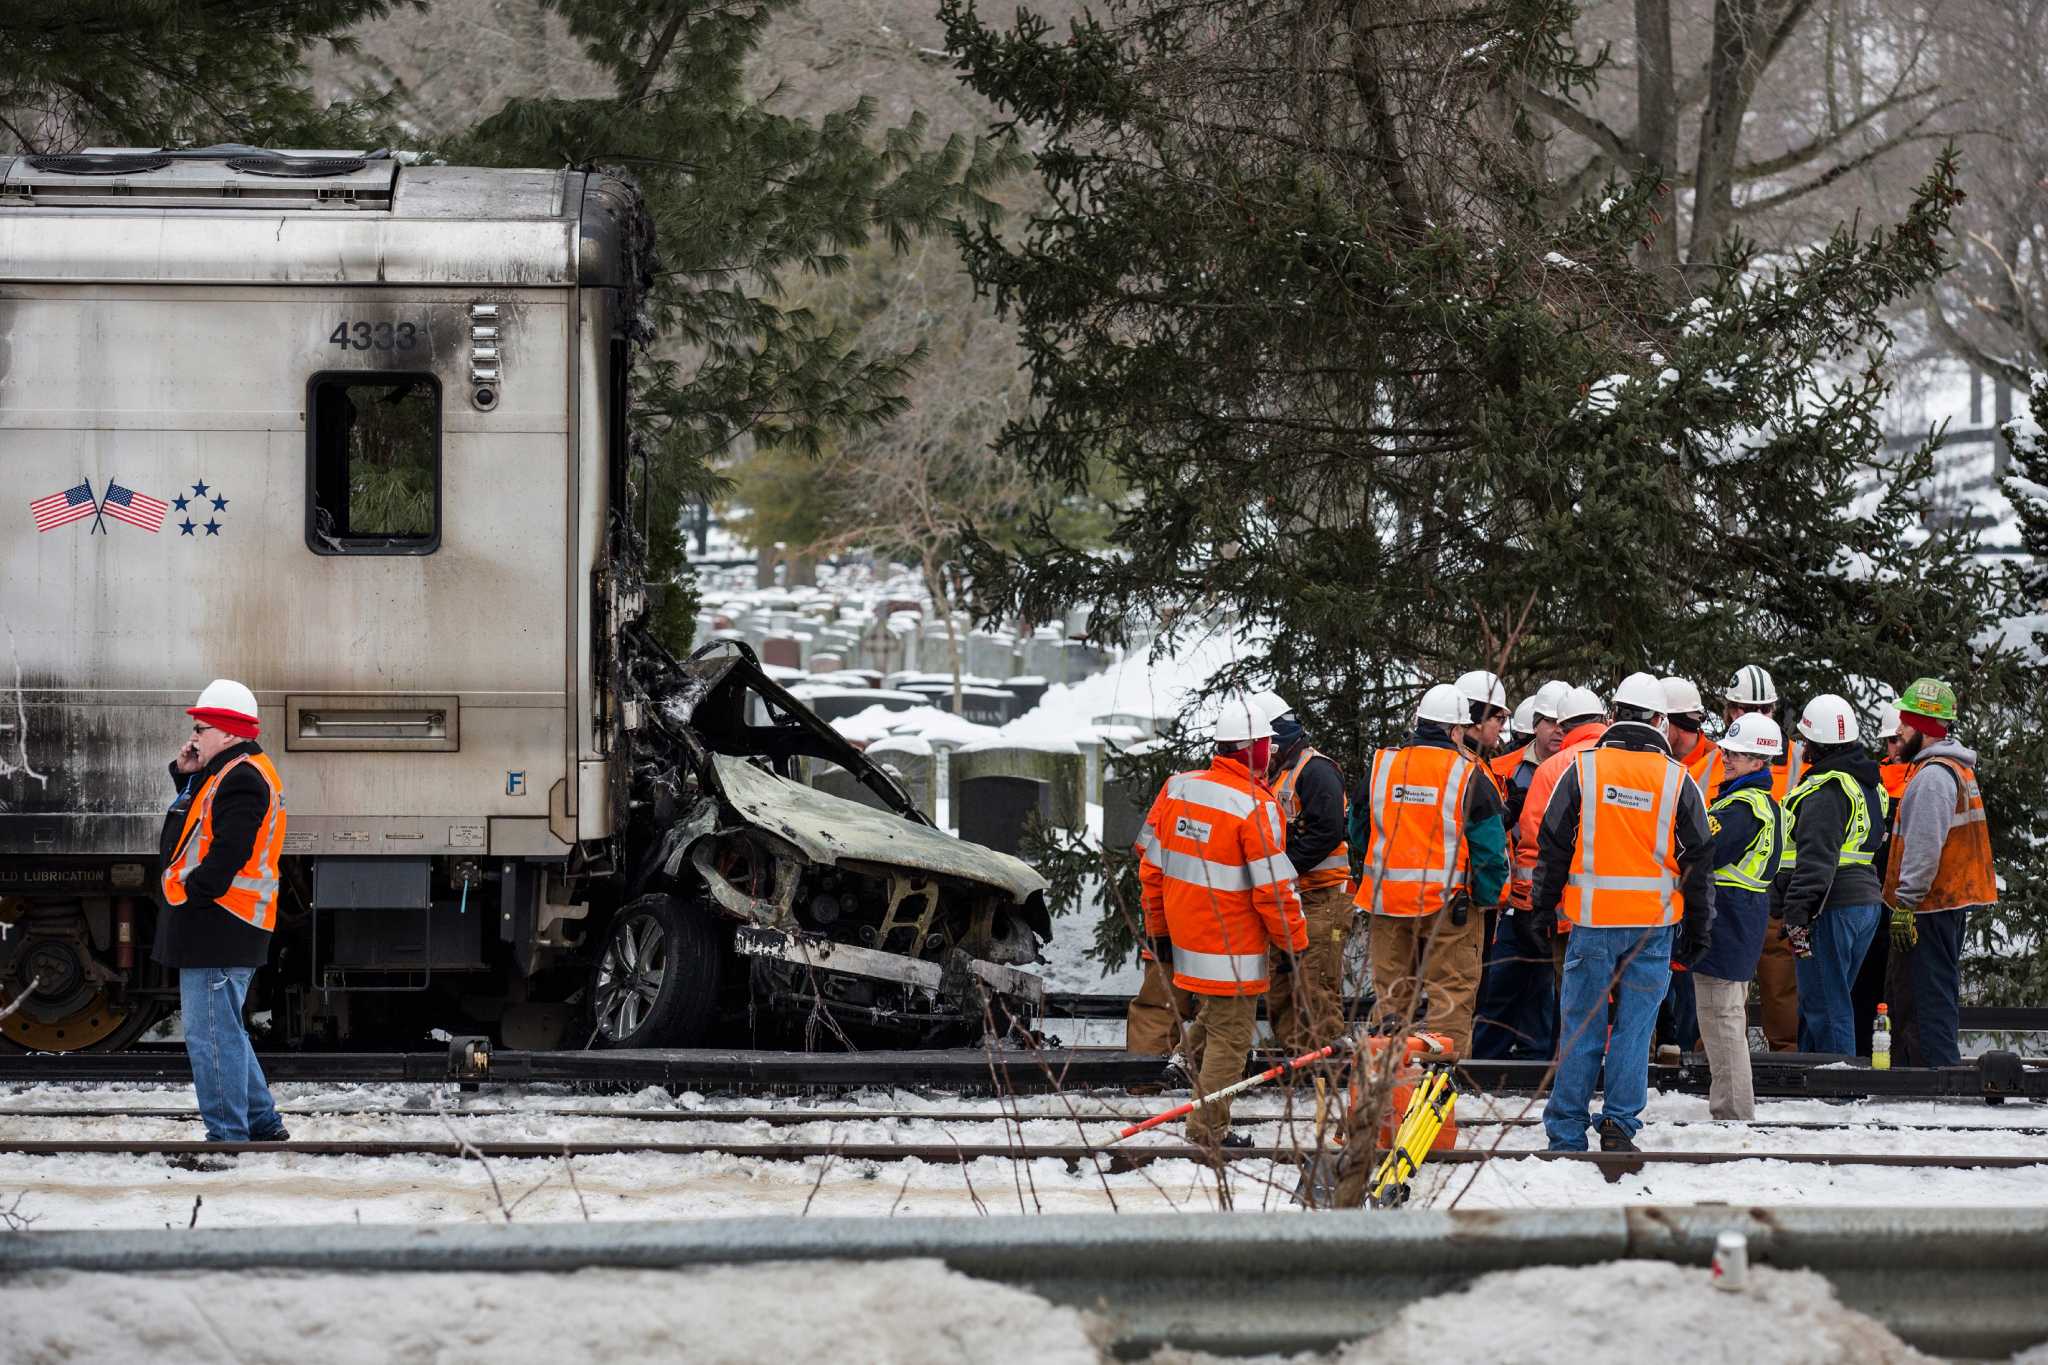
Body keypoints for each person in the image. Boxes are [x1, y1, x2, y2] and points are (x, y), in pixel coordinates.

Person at [1530, 672, 1715, 1153]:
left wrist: (1541, 908)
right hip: (1653, 927)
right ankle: (1619, 1124)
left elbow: (1551, 846)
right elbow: (1698, 860)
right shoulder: (1678, 779)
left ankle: (1567, 1132)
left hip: (1591, 922)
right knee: (1634, 1029)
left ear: (1613, 715)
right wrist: (1699, 927)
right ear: (1659, 720)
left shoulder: (1583, 770)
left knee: (1581, 1026)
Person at [1135, 694, 1307, 1148]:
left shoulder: (1179, 788)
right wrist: (1293, 942)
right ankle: (1208, 1129)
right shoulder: (1256, 806)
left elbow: (1150, 865)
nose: (1273, 751)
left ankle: (1182, 1065)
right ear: (1250, 747)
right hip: (1233, 946)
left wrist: (1159, 929)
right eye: (1267, 744)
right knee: (1232, 1037)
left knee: (1216, 1014)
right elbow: (1274, 889)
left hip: (1187, 940)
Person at [156, 679, 290, 1144]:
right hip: (225, 920)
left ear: (229, 732)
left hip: (220, 921)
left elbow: (231, 849)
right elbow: (193, 823)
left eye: (201, 727)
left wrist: (197, 892)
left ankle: (228, 1139)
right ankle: (261, 1123)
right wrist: (185, 772)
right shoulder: (231, 771)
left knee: (210, 1036)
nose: (193, 736)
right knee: (225, 1030)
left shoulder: (242, 779)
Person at [1353, 683, 1508, 1058]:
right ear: (1456, 731)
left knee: (1391, 1002)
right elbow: (1489, 850)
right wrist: (1484, 898)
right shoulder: (1469, 773)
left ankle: (1387, 1089)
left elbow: (1358, 829)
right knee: (1449, 1002)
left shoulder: (1382, 766)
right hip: (1449, 909)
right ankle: (1437, 1096)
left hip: (1387, 904)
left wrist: (1373, 877)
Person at [1882, 677, 1998, 1068]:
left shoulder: (1933, 777)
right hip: (1940, 904)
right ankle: (1925, 1074)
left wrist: (1906, 902)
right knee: (1925, 996)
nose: (1898, 731)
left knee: (1925, 999)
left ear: (1926, 728)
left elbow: (1924, 847)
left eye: (1906, 723)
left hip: (1928, 907)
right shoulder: (1950, 769)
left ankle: (1934, 1080)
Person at [1772, 695, 1889, 1056]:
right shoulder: (1868, 785)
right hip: (1861, 903)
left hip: (1830, 906)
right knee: (1822, 998)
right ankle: (1812, 1079)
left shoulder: (1827, 789)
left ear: (1815, 744)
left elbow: (1816, 861)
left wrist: (1796, 915)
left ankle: (1838, 1087)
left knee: (1826, 1004)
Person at [1692, 714, 1789, 1119]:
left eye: (1736, 753)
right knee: (1726, 1012)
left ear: (1759, 761)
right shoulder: (1765, 804)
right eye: (1728, 750)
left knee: (1721, 1015)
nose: (1726, 758)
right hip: (1743, 915)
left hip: (1728, 916)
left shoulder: (1739, 808)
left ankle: (1733, 1110)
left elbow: (1703, 854)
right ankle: (1733, 1107)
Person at [1473, 680, 1572, 1058]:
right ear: (1536, 723)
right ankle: (1481, 1065)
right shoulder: (1503, 770)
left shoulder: (1585, 766)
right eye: (1550, 721)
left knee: (1549, 995)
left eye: (1565, 722)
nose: (1558, 729)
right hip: (1512, 905)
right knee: (1501, 986)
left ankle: (1539, 1065)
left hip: (1565, 907)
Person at [1256, 691, 1352, 1053]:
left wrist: (1281, 867)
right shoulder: (1279, 774)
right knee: (1281, 985)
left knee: (1316, 985)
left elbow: (1327, 832)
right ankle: (1294, 1061)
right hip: (1291, 897)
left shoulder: (1315, 771)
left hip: (1322, 898)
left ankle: (1324, 1063)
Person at [1724, 664, 1801, 1052]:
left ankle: (1785, 1059)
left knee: (1780, 988)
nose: (1751, 716)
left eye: (1761, 709)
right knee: (1721, 994)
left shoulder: (1802, 760)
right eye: (1741, 708)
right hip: (1729, 893)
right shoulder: (1717, 761)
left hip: (1778, 895)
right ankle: (1714, 1058)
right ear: (1729, 711)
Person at [1875, 704, 1911, 802]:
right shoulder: (1874, 776)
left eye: (1904, 739)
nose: (1899, 745)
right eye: (1893, 739)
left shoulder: (1926, 776)